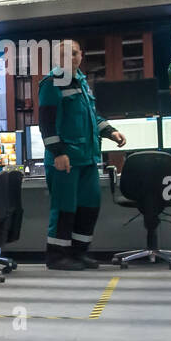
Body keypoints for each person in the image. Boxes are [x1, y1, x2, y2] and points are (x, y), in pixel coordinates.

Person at [36, 39, 126, 270]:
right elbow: (46, 123)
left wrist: (111, 131)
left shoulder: (83, 83)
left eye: (74, 53)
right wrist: (57, 152)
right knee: (65, 208)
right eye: (65, 55)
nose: (71, 58)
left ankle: (78, 253)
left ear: (81, 55)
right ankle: (57, 256)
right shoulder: (52, 82)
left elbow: (92, 116)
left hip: (87, 158)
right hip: (65, 159)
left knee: (89, 206)